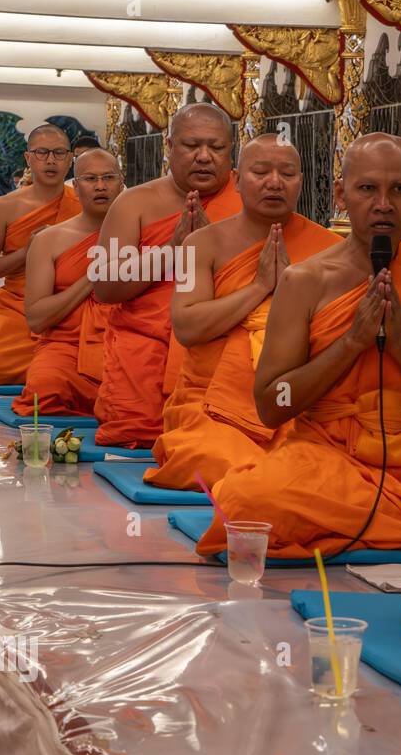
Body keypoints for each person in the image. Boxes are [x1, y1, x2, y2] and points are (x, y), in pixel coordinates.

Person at [195, 134, 401, 559]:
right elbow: (272, 405)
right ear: (341, 195)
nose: (383, 204)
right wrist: (352, 342)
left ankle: (380, 522)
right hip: (325, 457)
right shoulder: (306, 281)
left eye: (398, 190)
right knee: (248, 502)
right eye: (367, 189)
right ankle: (396, 525)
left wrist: (399, 343)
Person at [143, 134, 341, 491]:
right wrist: (259, 287)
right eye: (260, 172)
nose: (274, 182)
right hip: (210, 405)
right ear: (236, 180)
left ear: (300, 181)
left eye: (287, 174)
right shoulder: (201, 244)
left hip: (296, 404)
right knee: (215, 460)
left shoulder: (331, 249)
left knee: (321, 468)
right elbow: (186, 326)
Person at [92, 103, 242, 447]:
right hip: (147, 344)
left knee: (224, 437)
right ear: (170, 146)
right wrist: (173, 248)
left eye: (216, 147)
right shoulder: (133, 204)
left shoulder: (250, 203)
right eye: (191, 145)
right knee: (138, 431)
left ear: (231, 150)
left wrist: (211, 250)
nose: (204, 156)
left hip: (221, 339)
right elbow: (105, 287)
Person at [0, 124, 79, 385]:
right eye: (42, 152)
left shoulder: (83, 205)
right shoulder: (5, 207)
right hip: (18, 308)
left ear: (70, 159)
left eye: (59, 153)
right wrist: (26, 252)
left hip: (70, 307)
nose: (51, 160)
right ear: (28, 158)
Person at [11, 149, 124, 417]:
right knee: (45, 389)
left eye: (108, 177)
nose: (100, 186)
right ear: (75, 186)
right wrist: (93, 277)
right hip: (65, 347)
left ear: (122, 183)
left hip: (122, 343)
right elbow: (36, 319)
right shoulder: (49, 240)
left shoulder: (143, 234)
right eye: (90, 178)